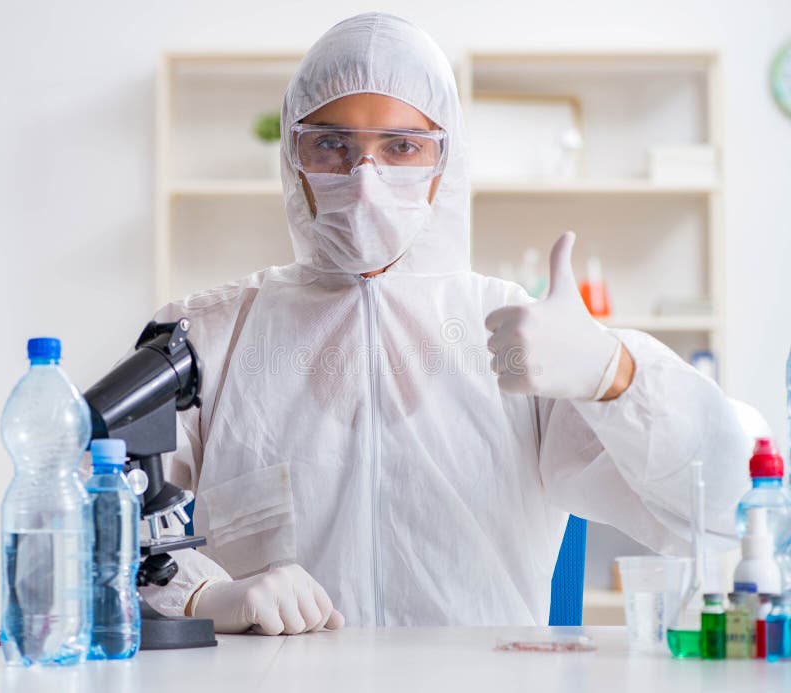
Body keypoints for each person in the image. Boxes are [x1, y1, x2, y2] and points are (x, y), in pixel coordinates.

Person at [140, 13, 756, 634]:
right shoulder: (210, 335)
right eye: (331, 144)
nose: (365, 180)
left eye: (402, 147)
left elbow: (716, 512)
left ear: (444, 160)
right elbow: (93, 521)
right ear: (293, 153)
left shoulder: (519, 337)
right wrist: (199, 597)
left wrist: (617, 375)